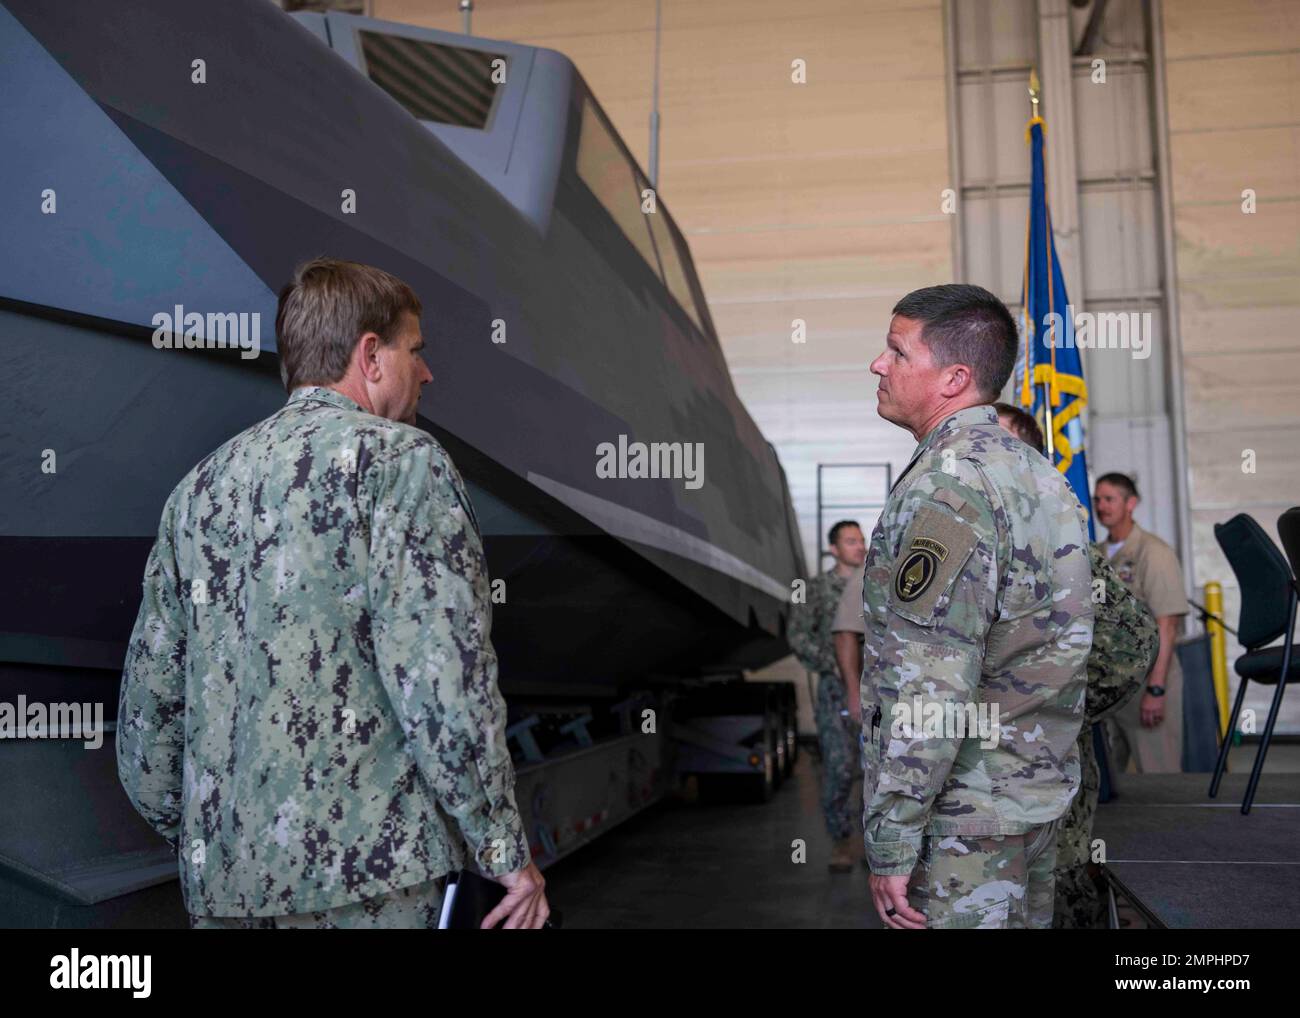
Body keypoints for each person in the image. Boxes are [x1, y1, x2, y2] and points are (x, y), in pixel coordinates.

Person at [117, 258, 549, 929]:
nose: (427, 372)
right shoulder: (404, 464)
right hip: (372, 890)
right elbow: (445, 686)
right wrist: (503, 851)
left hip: (223, 893)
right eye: (417, 351)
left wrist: (213, 843)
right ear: (370, 356)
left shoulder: (196, 492)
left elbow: (148, 721)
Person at [857, 284, 1093, 930]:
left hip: (965, 825)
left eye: (896, 352)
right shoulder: (1039, 475)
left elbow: (929, 681)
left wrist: (894, 836)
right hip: (1032, 802)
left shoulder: (948, 488)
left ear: (954, 378)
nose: (879, 365)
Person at [995, 404, 1158, 929]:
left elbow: (1132, 646)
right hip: (981, 787)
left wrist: (1056, 711)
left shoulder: (1049, 536)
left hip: (1049, 769)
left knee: (1060, 890)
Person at [1094, 472, 1189, 774]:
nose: (1101, 506)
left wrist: (1156, 690)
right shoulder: (1095, 554)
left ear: (1130, 503)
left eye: (1110, 499)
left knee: (1159, 774)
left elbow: (1168, 624)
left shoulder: (1154, 553)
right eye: (1097, 499)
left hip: (1147, 680)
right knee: (1111, 783)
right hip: (1107, 684)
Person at [788, 521, 867, 871]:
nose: (860, 546)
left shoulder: (875, 585)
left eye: (861, 540)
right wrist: (831, 664)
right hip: (836, 691)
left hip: (875, 689)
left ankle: (873, 844)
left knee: (875, 772)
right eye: (851, 541)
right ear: (833, 549)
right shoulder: (816, 589)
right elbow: (798, 634)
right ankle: (841, 842)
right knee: (839, 766)